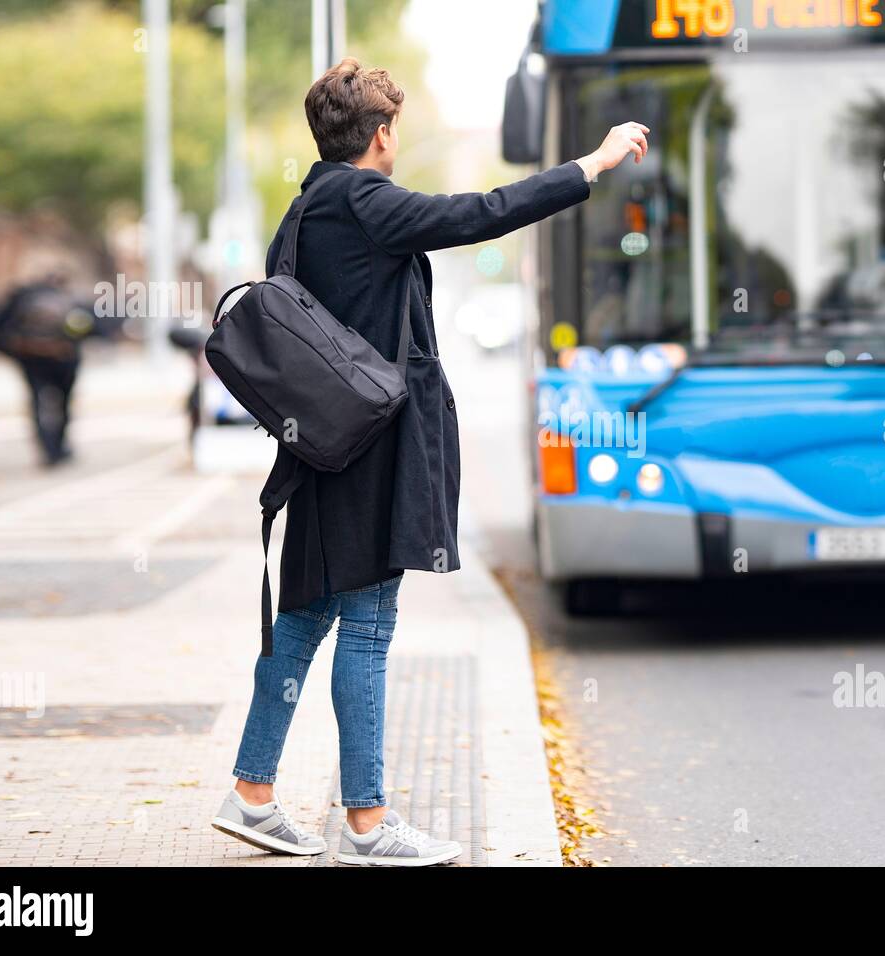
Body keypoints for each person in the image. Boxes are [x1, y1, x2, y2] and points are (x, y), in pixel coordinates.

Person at [211, 58, 649, 866]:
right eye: (396, 129)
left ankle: (253, 792)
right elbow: (478, 211)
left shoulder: (305, 208)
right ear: (381, 135)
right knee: (368, 626)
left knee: (306, 619)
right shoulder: (364, 199)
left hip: (321, 446)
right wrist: (591, 163)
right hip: (368, 448)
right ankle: (369, 823)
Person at [0, 272, 89, 466]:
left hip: (31, 359)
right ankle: (59, 446)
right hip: (64, 359)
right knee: (63, 402)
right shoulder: (68, 299)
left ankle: (48, 448)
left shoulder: (22, 298)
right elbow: (89, 328)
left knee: (37, 401)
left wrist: (16, 354)